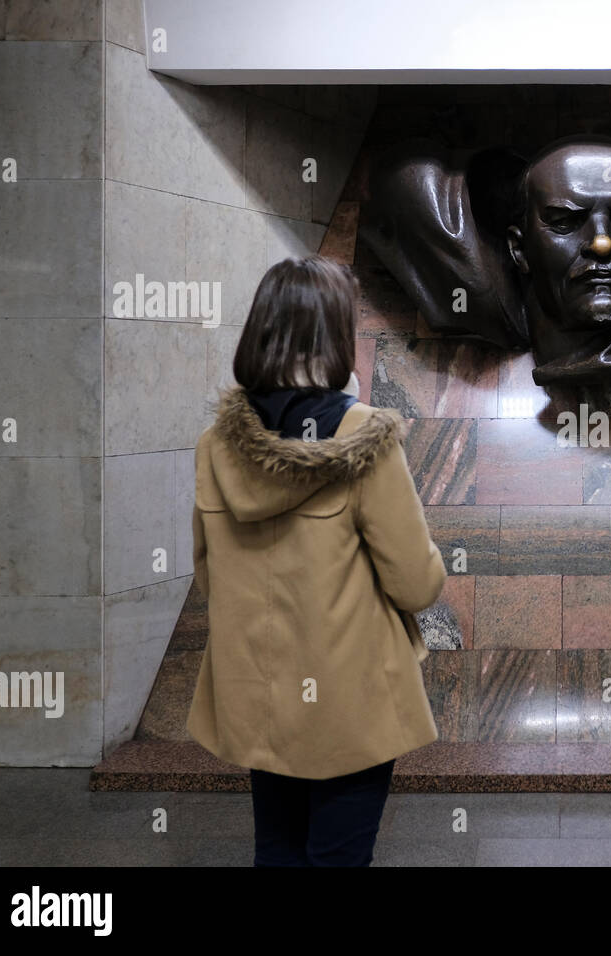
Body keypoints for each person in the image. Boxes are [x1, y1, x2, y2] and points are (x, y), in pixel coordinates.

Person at [186, 255, 446, 867]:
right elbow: (415, 583)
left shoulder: (216, 445)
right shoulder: (364, 440)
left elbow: (208, 573)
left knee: (277, 848)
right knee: (339, 856)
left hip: (259, 694)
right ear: (335, 334)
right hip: (347, 700)